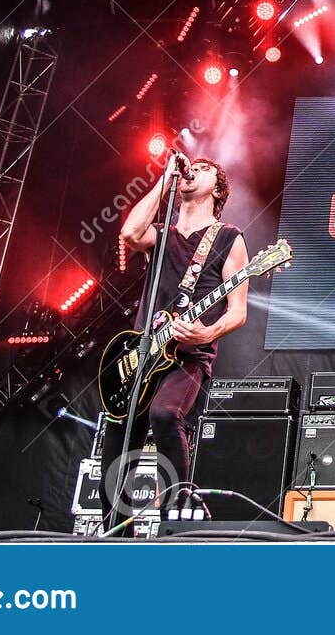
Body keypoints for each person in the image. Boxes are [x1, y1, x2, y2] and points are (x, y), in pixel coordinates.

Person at [99, 155, 249, 522]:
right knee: (119, 438)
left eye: (205, 168)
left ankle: (175, 519)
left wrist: (208, 331)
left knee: (164, 413)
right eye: (190, 166)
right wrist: (165, 179)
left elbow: (238, 311)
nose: (192, 169)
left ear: (218, 190)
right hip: (141, 351)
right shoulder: (162, 233)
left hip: (187, 355)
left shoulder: (229, 238)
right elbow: (130, 234)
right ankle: (115, 535)